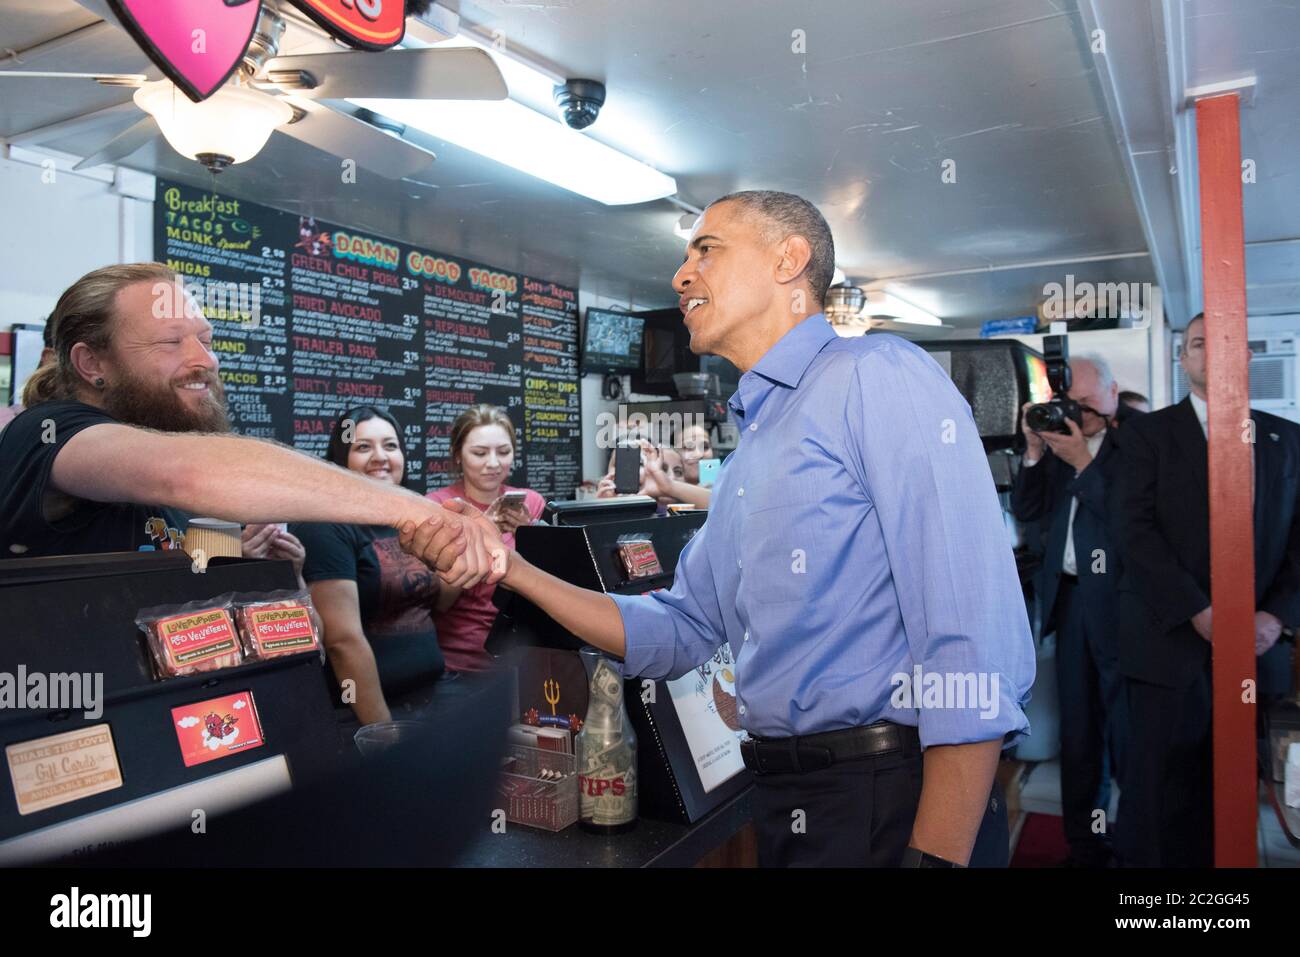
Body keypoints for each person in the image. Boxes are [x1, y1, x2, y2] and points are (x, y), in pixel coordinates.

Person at [404, 190, 1035, 867]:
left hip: (888, 797)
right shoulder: (750, 456)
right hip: (795, 800)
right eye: (683, 256)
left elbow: (971, 639)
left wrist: (936, 856)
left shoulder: (874, 375)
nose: (680, 274)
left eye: (706, 249)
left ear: (789, 260)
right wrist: (514, 568)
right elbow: (677, 629)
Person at [0, 263, 491, 580]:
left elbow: (175, 572)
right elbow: (184, 472)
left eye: (206, 340)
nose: (205, 360)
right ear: (92, 364)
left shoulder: (165, 469)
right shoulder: (46, 434)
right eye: (171, 343)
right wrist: (415, 510)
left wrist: (270, 569)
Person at [1115, 313, 1300, 867]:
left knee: (1237, 789)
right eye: (1198, 344)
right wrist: (1198, 609)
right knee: (1161, 794)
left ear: (1245, 356)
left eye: (1225, 345)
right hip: (1168, 645)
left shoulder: (1286, 438)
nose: (1211, 354)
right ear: (1183, 358)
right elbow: (1133, 531)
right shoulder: (1147, 435)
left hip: (1257, 649)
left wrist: (1276, 615)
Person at [1010, 355, 1127, 867]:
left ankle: (1142, 836)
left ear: (1113, 392)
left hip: (1131, 603)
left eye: (1085, 402)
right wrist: (1036, 453)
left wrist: (1084, 460)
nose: (1076, 413)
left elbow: (1131, 521)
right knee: (1081, 729)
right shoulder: (1060, 440)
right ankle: (1087, 844)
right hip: (1075, 599)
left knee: (1130, 729)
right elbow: (1029, 512)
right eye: (1067, 403)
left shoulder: (1143, 441)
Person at [290, 407, 446, 724]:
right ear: (340, 459)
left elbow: (439, 604)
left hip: (430, 701)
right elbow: (341, 641)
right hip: (366, 717)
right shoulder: (325, 524)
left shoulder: (412, 517)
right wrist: (383, 733)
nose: (380, 457)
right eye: (363, 447)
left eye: (390, 445)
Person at [427, 404, 545, 673]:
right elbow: (440, 602)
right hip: (460, 662)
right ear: (458, 455)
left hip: (524, 657)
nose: (493, 463)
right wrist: (477, 534)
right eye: (480, 453)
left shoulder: (532, 503)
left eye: (503, 452)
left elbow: (551, 588)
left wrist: (532, 538)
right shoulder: (439, 506)